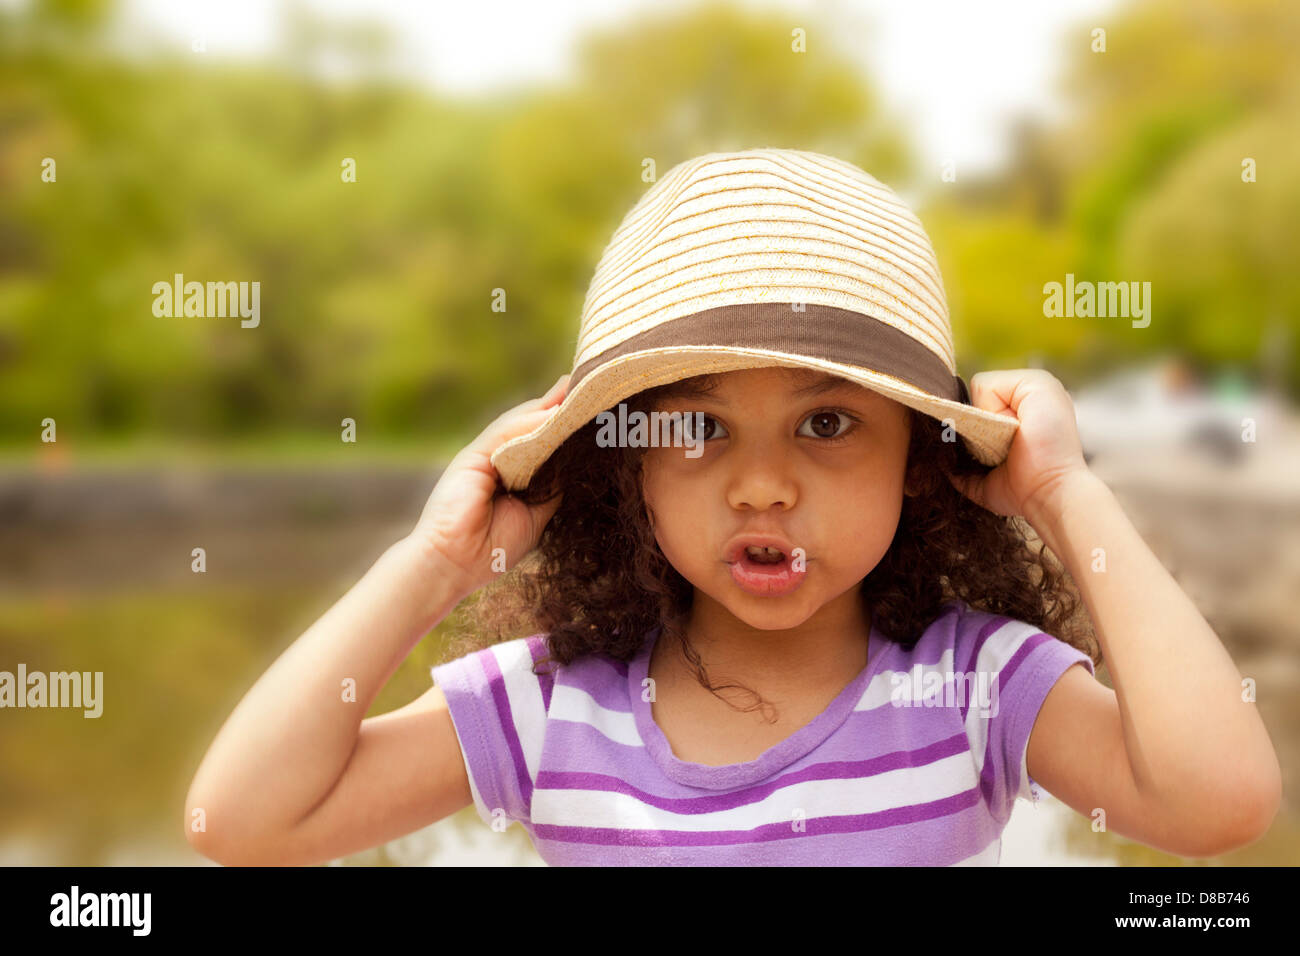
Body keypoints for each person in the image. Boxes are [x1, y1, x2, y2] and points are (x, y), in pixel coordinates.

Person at [184, 148, 1281, 866]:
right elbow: (241, 819)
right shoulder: (554, 708)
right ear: (629, 470)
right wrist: (432, 561)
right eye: (695, 428)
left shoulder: (972, 688)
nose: (761, 485)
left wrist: (1060, 488)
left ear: (915, 459)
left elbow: (1217, 799)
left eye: (825, 423)